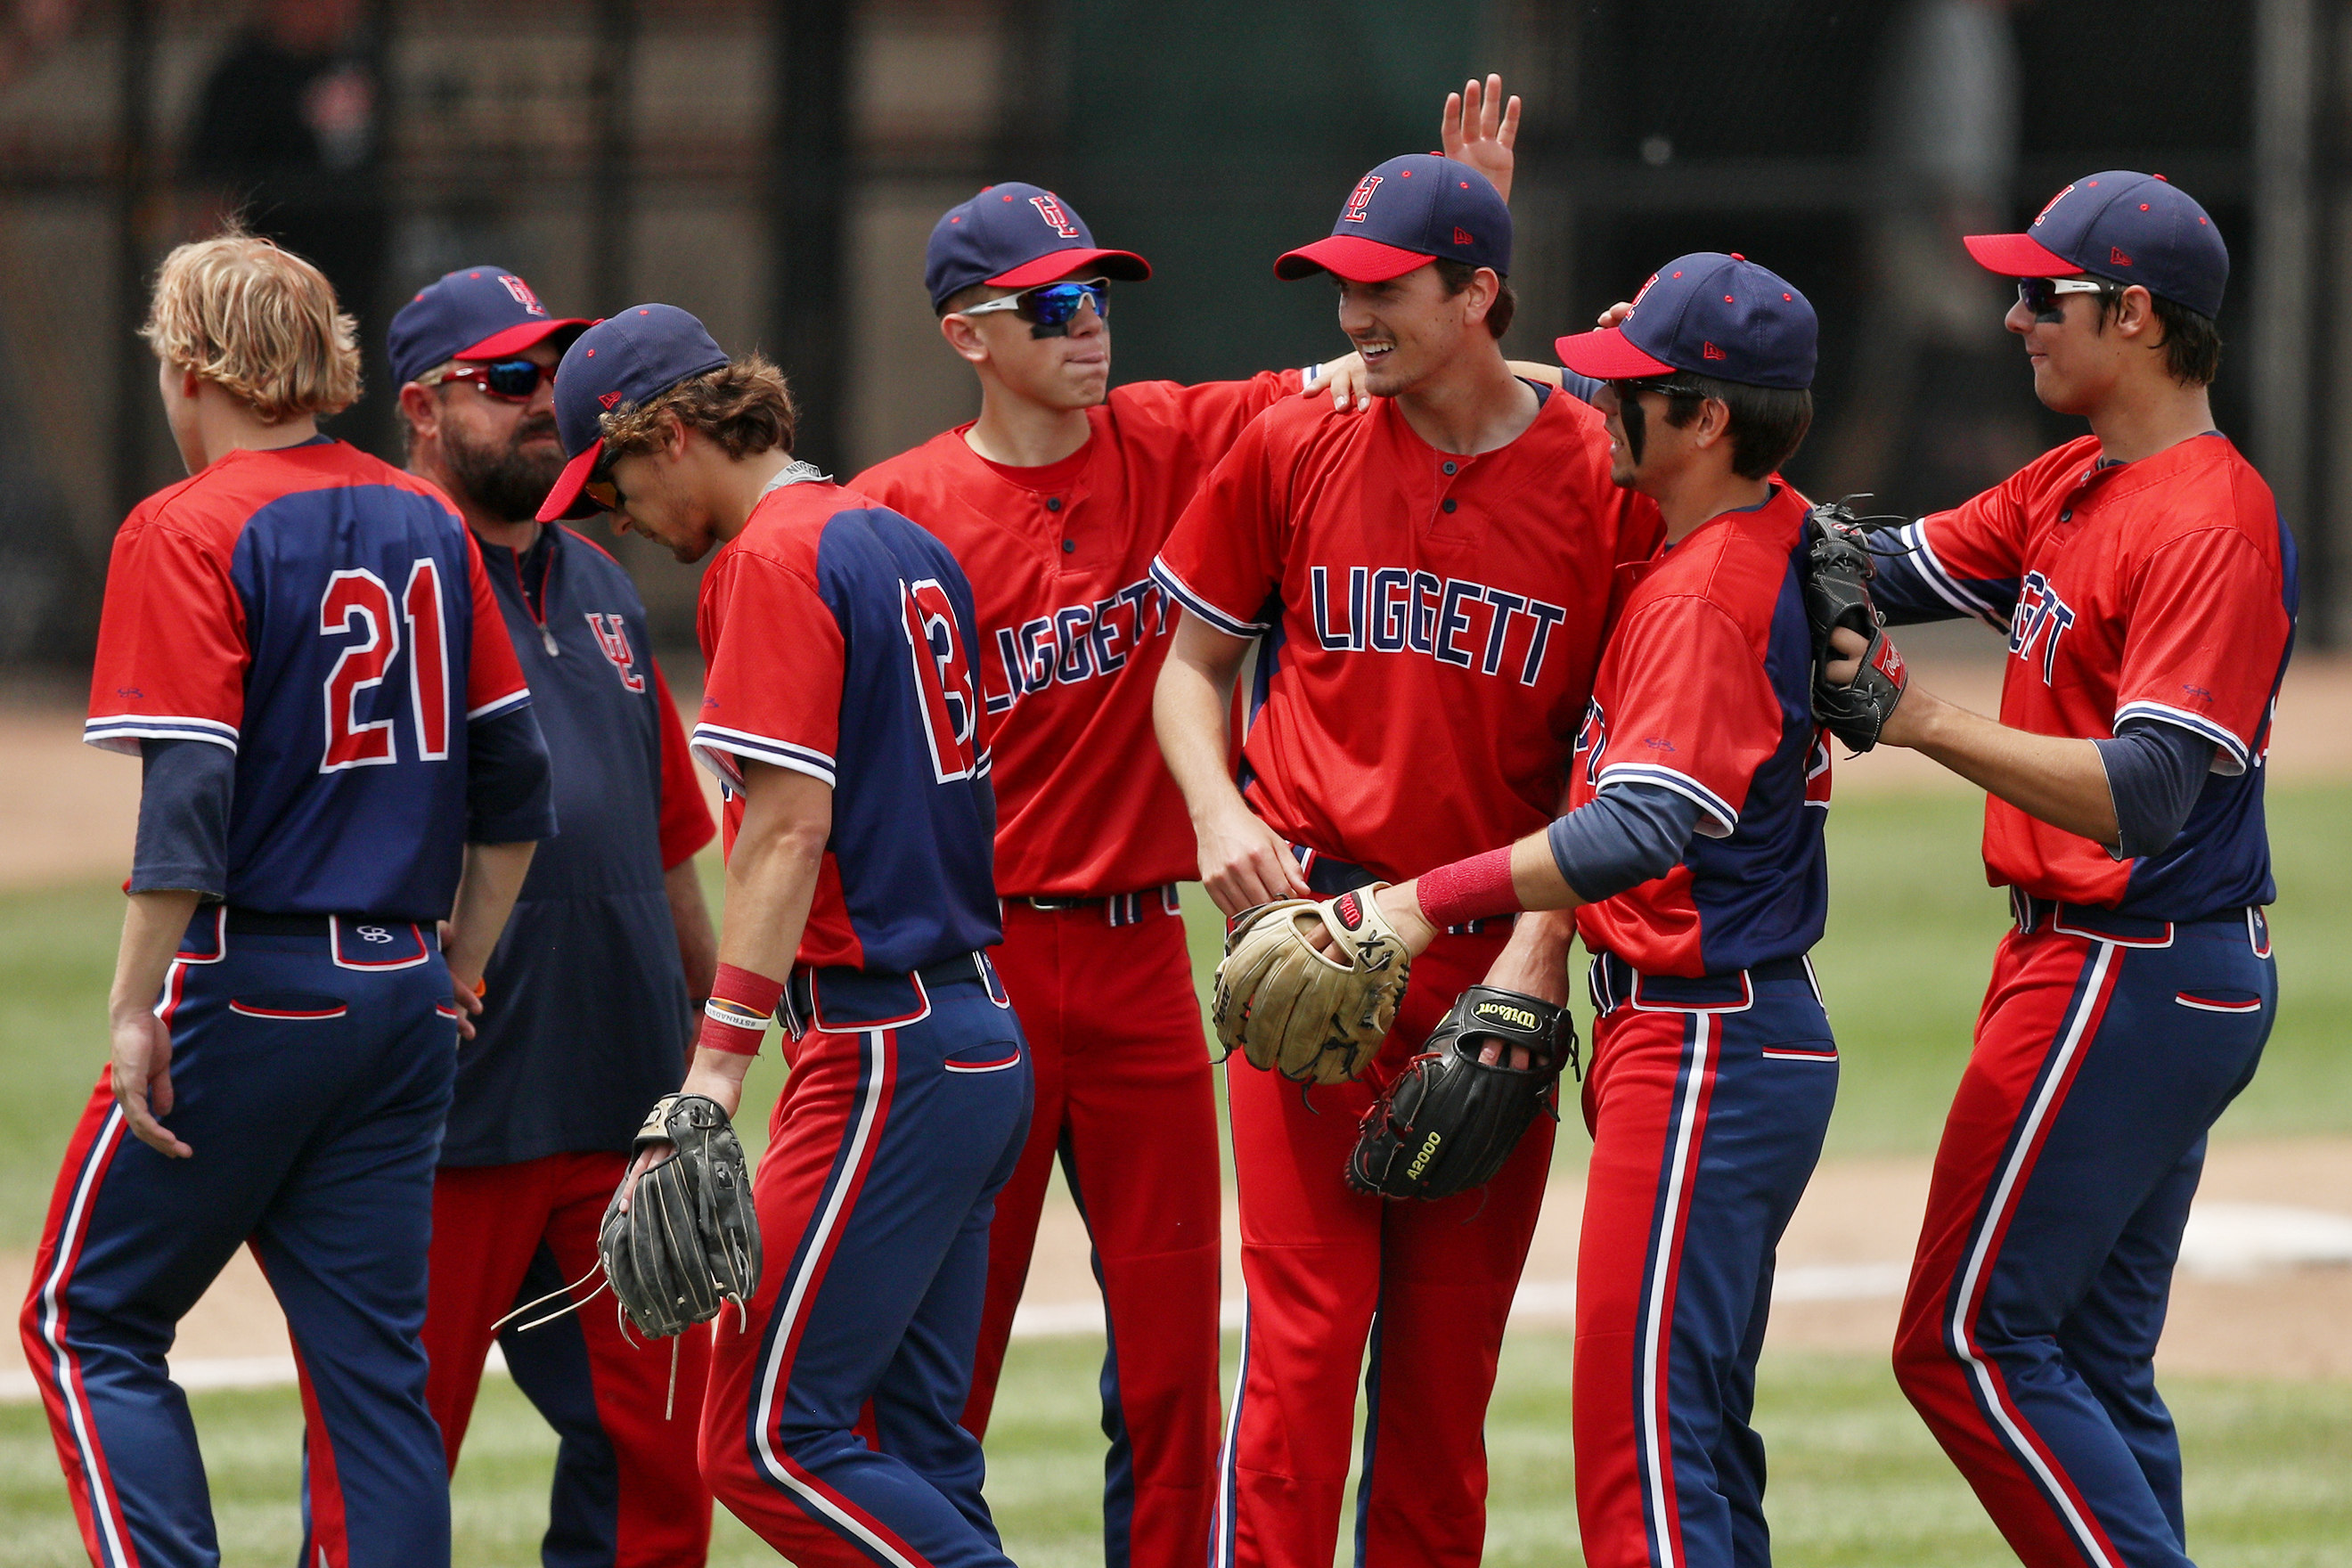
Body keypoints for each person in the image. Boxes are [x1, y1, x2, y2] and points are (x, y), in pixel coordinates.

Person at [846, 177, 1376, 1568]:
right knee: (938, 1354)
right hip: (982, 978)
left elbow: (1353, 377)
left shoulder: (1174, 436)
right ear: (969, 336)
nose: (1093, 328)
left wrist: (1471, 238)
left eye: (1100, 296)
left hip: (1145, 966)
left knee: (1167, 1356)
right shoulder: (891, 515)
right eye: (1057, 305)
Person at [1150, 152, 1661, 1568]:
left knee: (1445, 1389)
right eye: (1339, 289)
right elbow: (1190, 667)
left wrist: (1536, 956)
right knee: (1302, 1355)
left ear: (1480, 293)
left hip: (1487, 954)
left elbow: (1613, 754)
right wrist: (1218, 812)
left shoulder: (1599, 476)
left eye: (1383, 289)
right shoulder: (1293, 440)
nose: (1351, 316)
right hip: (1310, 938)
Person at [20, 229, 553, 1568]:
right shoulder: (429, 516)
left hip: (249, 985)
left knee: (85, 1321)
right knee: (377, 1377)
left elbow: (187, 800)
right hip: (401, 997)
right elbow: (519, 783)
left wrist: (135, 1001)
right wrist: (460, 973)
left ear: (192, 365)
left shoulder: (183, 526)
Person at [1331, 254, 1840, 1568]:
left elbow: (1634, 829)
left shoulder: (1706, 596)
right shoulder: (1760, 531)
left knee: (1645, 1456)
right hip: (1713, 1037)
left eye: (1629, 392)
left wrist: (1417, 905)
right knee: (1700, 1446)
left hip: (1708, 1048)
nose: (1595, 409)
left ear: (1706, 420)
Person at [1824, 174, 2293, 1568]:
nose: (2016, 316)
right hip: (2120, 972)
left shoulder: (2208, 517)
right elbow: (1867, 563)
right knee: (2087, 1354)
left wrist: (1914, 719)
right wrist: (1654, 399)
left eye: (2046, 295)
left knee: (1963, 1340)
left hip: (2131, 971)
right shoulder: (2076, 480)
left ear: (2135, 314)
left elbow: (2148, 794)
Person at [535, 304, 1031, 1568]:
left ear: (679, 433)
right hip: (976, 1035)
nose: (620, 518)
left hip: (883, 1048)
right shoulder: (900, 541)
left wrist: (711, 1077)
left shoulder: (769, 560)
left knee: (762, 1440)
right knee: (916, 1450)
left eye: (619, 478)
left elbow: (784, 833)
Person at [390, 265, 722, 1565]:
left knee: (656, 1459)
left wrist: (720, 1031)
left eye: (558, 376)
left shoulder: (597, 577)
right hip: (447, 1114)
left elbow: (671, 837)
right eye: (514, 382)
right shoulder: (388, 573)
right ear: (421, 405)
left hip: (619, 1105)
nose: (551, 407)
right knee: (392, 1453)